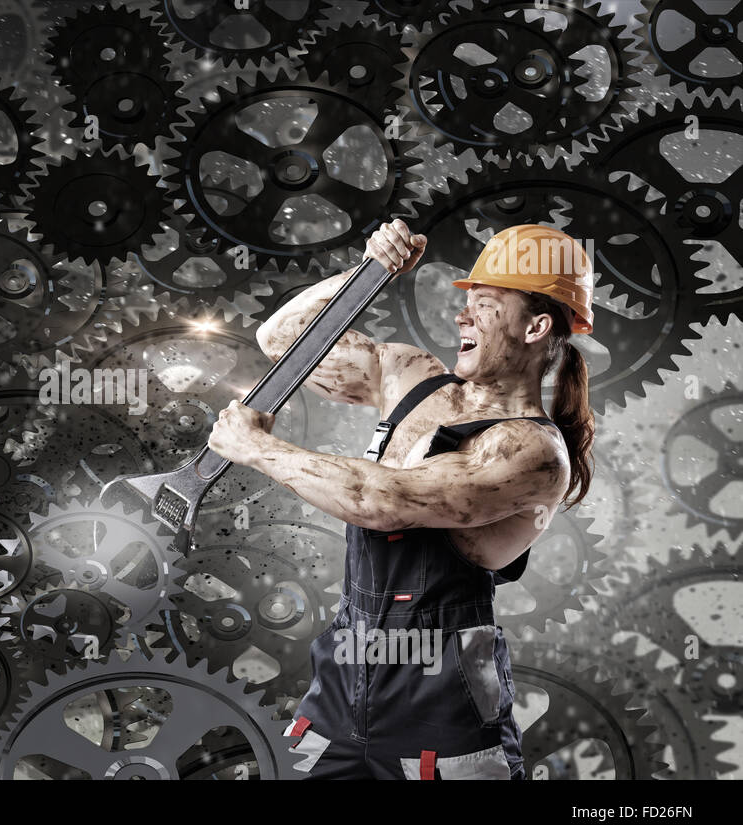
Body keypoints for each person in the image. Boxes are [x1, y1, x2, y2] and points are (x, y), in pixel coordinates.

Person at [205, 219, 596, 779]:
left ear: (535, 327)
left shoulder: (530, 449)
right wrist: (371, 270)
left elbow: (379, 500)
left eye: (485, 304)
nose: (462, 314)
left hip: (443, 718)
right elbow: (284, 338)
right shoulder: (414, 378)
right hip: (339, 694)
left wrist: (258, 448)